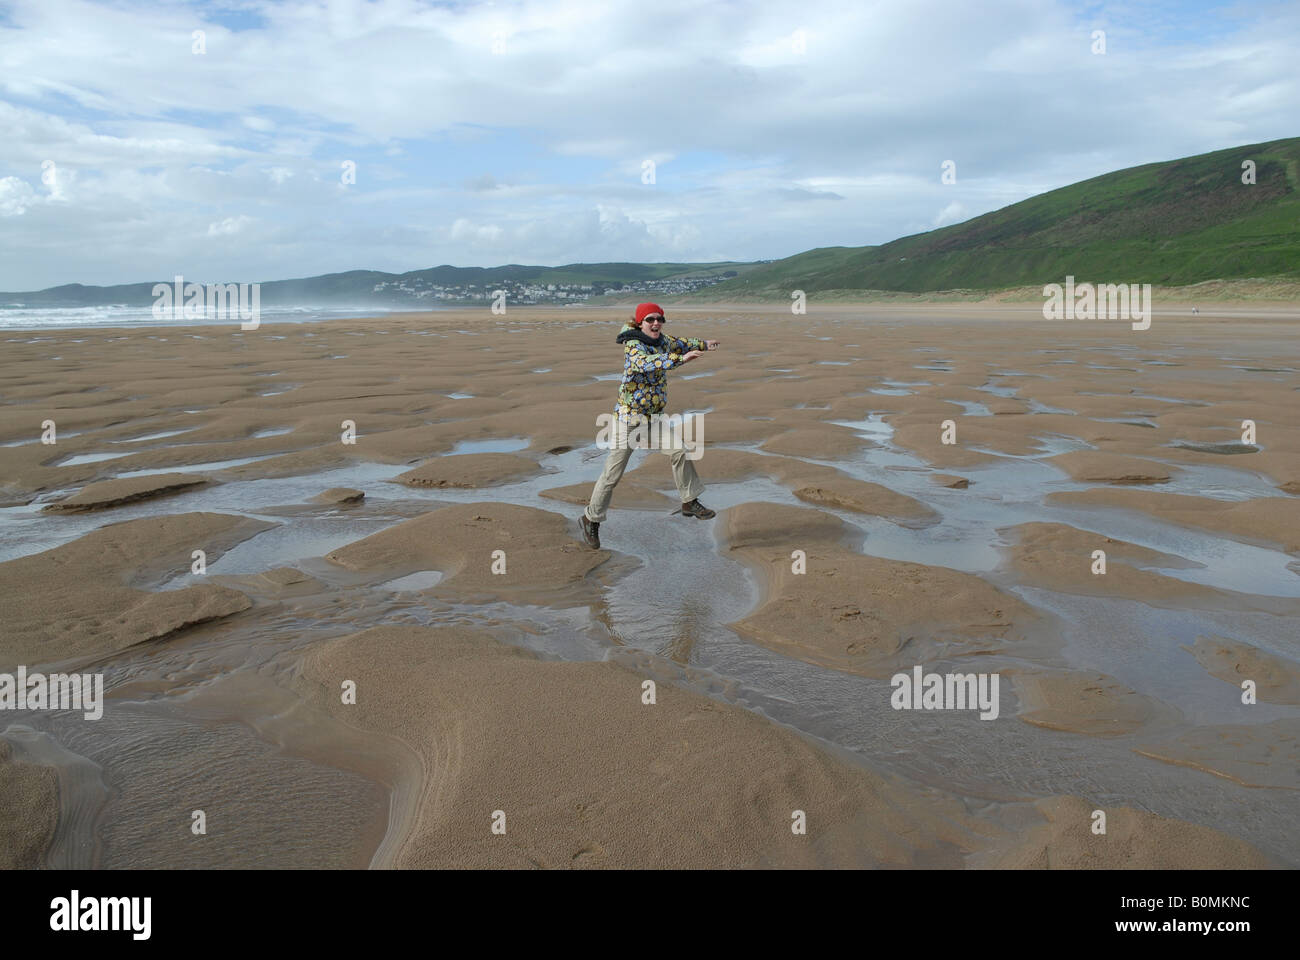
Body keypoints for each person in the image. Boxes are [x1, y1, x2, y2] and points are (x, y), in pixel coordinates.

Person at [579, 303, 719, 549]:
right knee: (612, 475)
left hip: (654, 418)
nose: (656, 323)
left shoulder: (663, 341)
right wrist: (681, 360)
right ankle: (591, 519)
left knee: (680, 451)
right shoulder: (633, 345)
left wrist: (704, 344)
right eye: (651, 319)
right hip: (629, 419)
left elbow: (682, 342)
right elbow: (647, 363)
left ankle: (689, 501)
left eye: (660, 319)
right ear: (639, 322)